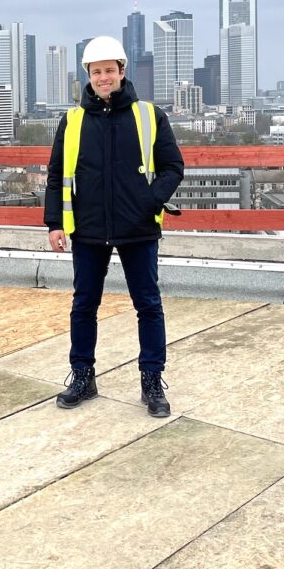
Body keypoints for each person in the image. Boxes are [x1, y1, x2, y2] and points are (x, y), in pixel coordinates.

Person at [44, 35, 184, 417]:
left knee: (148, 305)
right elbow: (56, 174)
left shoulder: (149, 115)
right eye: (96, 71)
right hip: (88, 228)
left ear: (122, 71)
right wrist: (54, 222)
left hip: (138, 227)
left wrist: (150, 200)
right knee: (84, 305)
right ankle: (82, 376)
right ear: (87, 75)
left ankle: (152, 380)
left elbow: (173, 167)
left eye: (110, 70)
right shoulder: (72, 121)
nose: (103, 77)